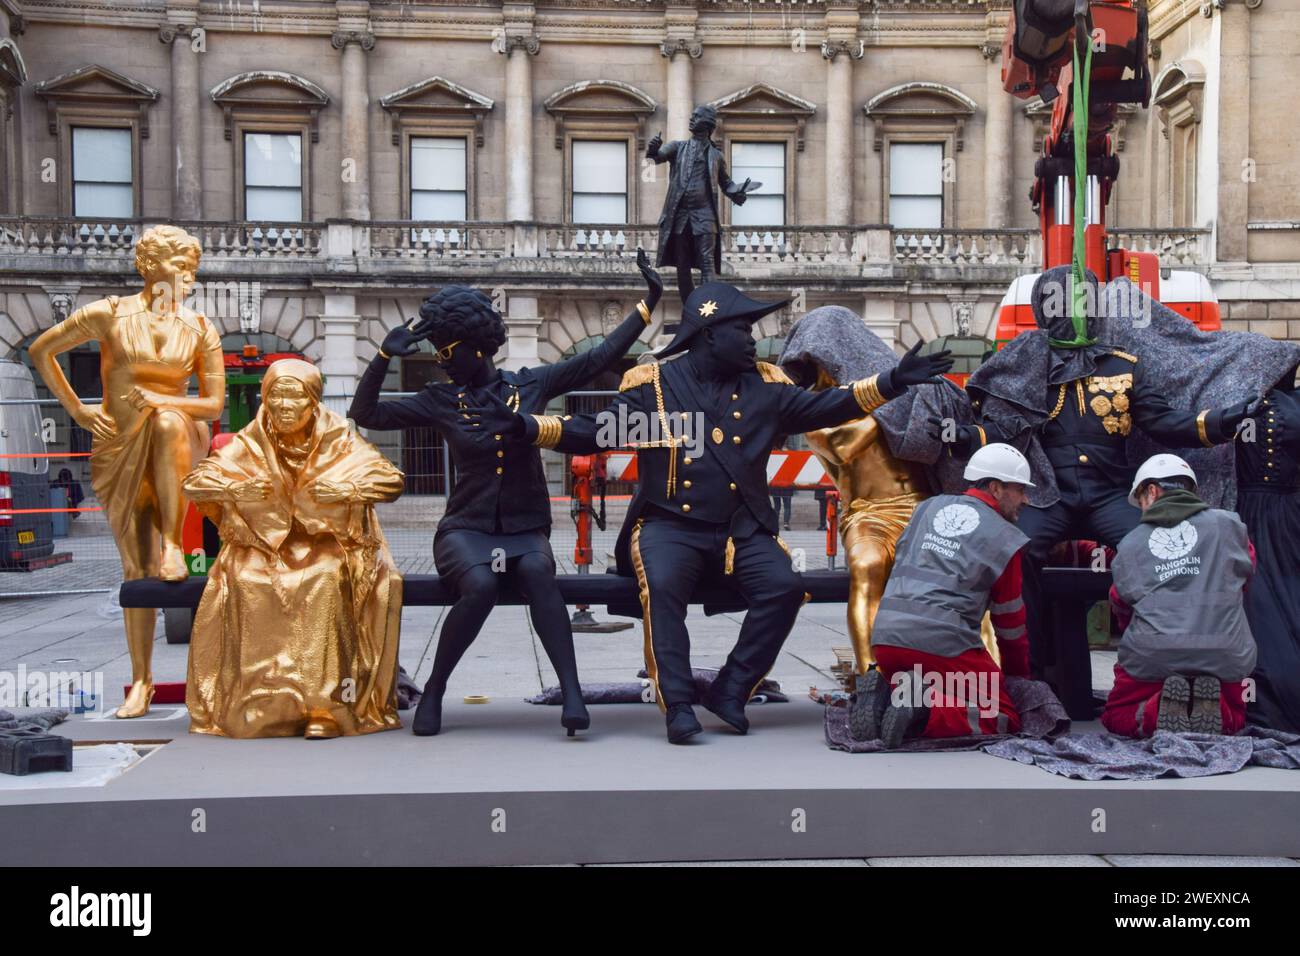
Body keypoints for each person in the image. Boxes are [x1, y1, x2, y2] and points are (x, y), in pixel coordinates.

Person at [468, 281, 954, 743]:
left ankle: (732, 688)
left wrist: (891, 382)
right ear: (708, 333)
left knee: (785, 588)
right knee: (662, 589)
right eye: (742, 330)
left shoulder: (765, 387)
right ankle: (677, 705)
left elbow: (827, 406)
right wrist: (528, 427)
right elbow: (599, 430)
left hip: (742, 529)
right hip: (668, 523)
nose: (752, 338)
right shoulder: (655, 385)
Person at [348, 252, 661, 737]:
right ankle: (435, 688)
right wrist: (385, 355)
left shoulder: (529, 385)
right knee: (481, 587)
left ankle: (572, 693)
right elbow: (365, 412)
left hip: (523, 527)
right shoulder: (439, 399)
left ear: (476, 348)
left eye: (446, 351)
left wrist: (648, 305)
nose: (441, 361)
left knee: (538, 572)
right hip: (467, 530)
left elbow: (598, 360)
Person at [934, 266, 1258, 716]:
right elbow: (1003, 428)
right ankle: (1032, 676)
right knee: (1016, 549)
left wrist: (1219, 422)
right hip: (1049, 495)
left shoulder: (1124, 366)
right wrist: (965, 436)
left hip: (1112, 496)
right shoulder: (1028, 362)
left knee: (1163, 548)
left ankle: (1163, 667)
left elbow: (1162, 423)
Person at [28, 225, 224, 718]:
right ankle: (142, 681)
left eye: (192, 269)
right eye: (179, 266)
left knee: (168, 420)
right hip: (118, 443)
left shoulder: (200, 327)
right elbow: (41, 351)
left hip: (180, 438)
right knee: (135, 568)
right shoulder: (109, 313)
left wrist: (163, 400)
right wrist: (77, 410)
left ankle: (175, 543)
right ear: (149, 266)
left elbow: (213, 402)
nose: (188, 277)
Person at [183, 360, 404, 739]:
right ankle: (259, 706)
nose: (284, 406)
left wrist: (346, 491)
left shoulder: (338, 437)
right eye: (275, 396)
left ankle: (327, 707)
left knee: (326, 578)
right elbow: (196, 481)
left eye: (294, 396)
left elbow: (390, 479)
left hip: (329, 544)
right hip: (262, 546)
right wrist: (235, 490)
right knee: (244, 578)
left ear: (313, 403)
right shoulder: (251, 440)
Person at [779, 305, 972, 680]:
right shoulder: (813, 409)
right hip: (868, 514)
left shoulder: (894, 389)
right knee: (867, 568)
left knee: (962, 577)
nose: (821, 365)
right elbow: (842, 446)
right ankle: (873, 679)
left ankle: (988, 675)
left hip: (921, 505)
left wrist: (901, 389)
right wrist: (891, 389)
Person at [855, 443, 1034, 747]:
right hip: (941, 646)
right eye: (1019, 489)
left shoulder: (927, 508)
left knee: (947, 687)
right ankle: (922, 709)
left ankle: (889, 695)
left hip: (886, 640)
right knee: (1000, 714)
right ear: (996, 487)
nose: (1026, 499)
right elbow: (1010, 626)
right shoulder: (1005, 539)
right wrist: (1015, 681)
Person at [1102, 455, 1257, 737]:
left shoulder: (1131, 543)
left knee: (1116, 714)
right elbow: (1246, 576)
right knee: (1239, 711)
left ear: (1152, 491)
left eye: (1141, 502)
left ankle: (1155, 709)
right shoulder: (1228, 525)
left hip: (1154, 656)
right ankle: (1221, 712)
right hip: (1225, 654)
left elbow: (1120, 603)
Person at [1235, 365, 1300, 732]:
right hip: (1258, 512)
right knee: (1261, 600)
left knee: (1269, 598)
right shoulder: (1237, 402)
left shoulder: (1238, 403)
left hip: (1273, 513)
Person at [646, 104, 761, 297]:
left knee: (707, 261)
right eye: (692, 116)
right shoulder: (677, 147)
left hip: (705, 214)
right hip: (680, 215)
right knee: (682, 265)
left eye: (696, 116)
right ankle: (690, 307)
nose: (691, 119)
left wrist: (739, 192)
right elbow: (656, 157)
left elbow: (726, 184)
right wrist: (653, 148)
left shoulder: (716, 156)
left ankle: (708, 308)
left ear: (707, 124)